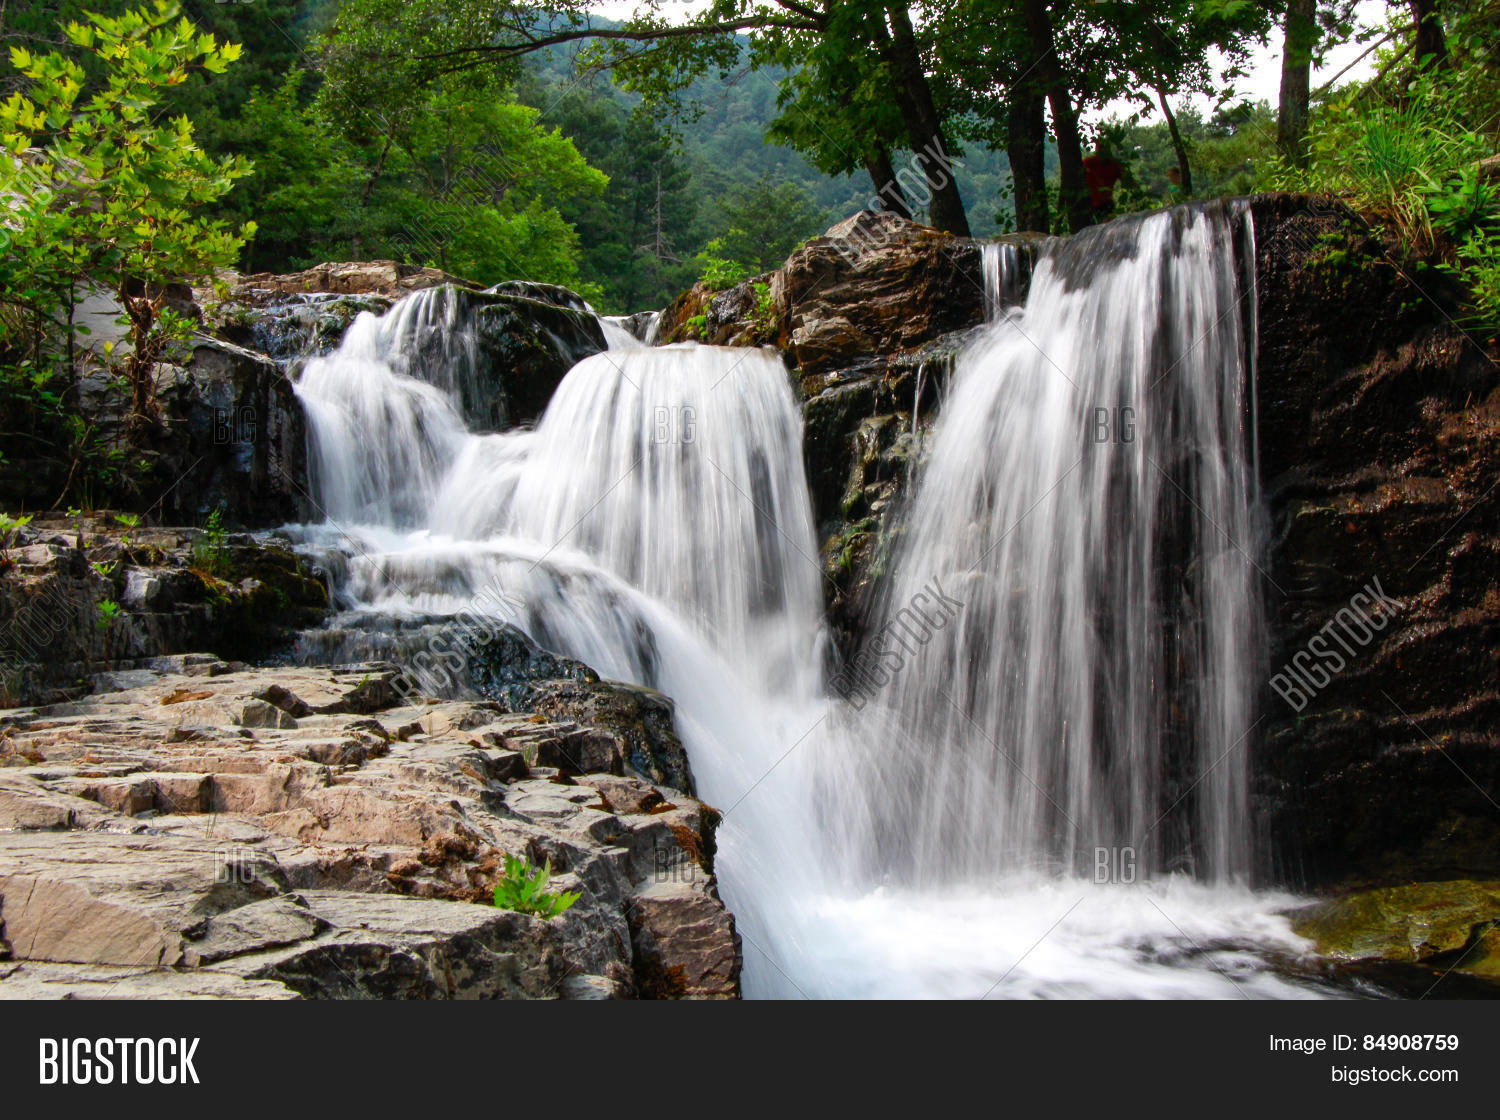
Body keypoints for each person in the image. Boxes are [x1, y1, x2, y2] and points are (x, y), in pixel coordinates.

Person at [1081, 140, 1124, 223]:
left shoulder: (1114, 165)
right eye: (1099, 148)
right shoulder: (1089, 162)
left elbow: (1127, 181)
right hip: (1089, 204)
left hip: (1106, 204)